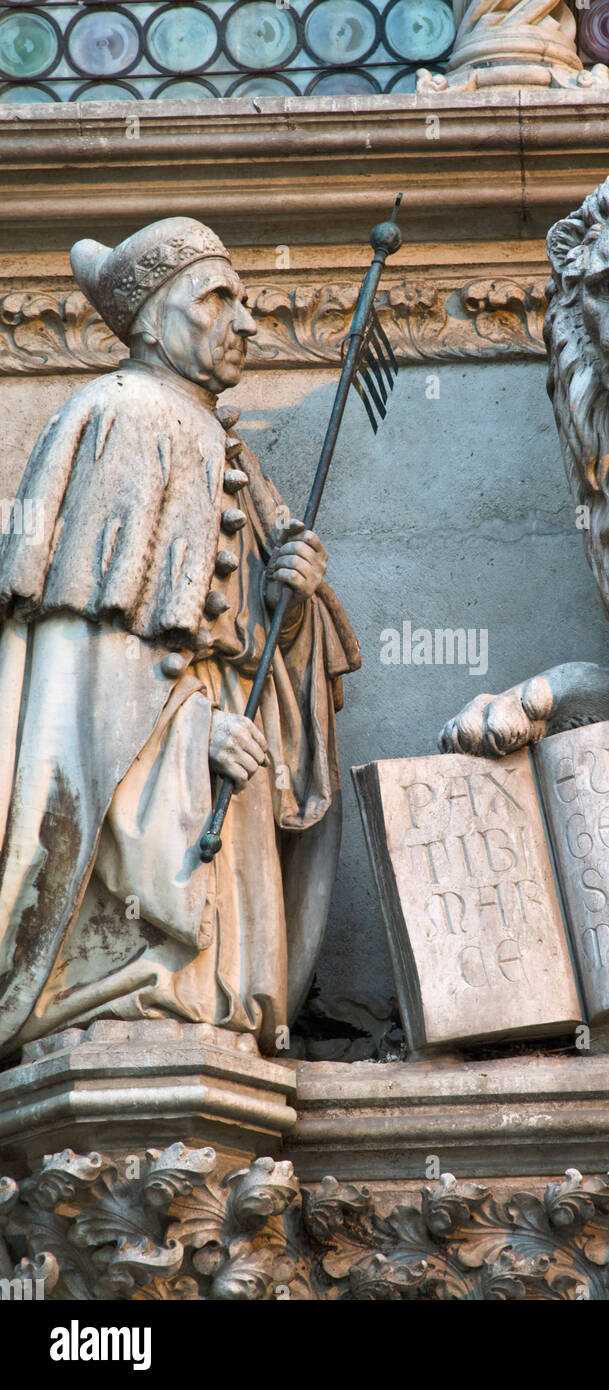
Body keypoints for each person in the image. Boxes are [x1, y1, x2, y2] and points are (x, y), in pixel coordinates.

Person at [0, 217, 359, 1059]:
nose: (248, 324)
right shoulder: (124, 417)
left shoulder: (216, 433)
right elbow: (84, 666)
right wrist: (194, 731)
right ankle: (117, 989)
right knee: (155, 995)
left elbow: (242, 645)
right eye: (219, 299)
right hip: (162, 772)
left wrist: (292, 604)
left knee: (208, 1006)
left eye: (247, 301)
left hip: (215, 766)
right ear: (157, 316)